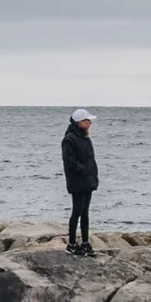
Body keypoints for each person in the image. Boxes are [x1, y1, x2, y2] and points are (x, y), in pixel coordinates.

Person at [61, 108, 99, 254]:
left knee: (85, 213)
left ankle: (84, 242)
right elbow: (69, 162)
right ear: (78, 122)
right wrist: (83, 170)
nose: (89, 123)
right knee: (77, 211)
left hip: (88, 180)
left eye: (89, 120)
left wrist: (92, 174)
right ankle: (71, 244)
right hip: (78, 181)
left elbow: (90, 159)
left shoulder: (85, 138)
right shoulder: (69, 139)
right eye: (86, 120)